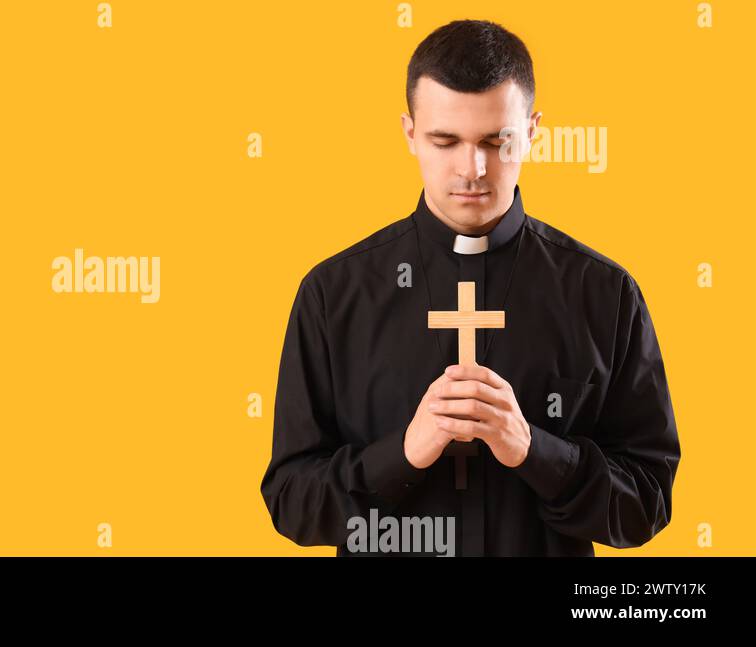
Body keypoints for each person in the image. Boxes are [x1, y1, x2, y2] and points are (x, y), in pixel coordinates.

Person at [260, 19, 680, 556]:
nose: (473, 168)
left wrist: (534, 451)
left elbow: (647, 503)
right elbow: (291, 503)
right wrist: (403, 455)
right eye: (445, 140)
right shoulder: (331, 294)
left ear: (532, 131)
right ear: (410, 133)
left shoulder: (606, 294)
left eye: (495, 141)